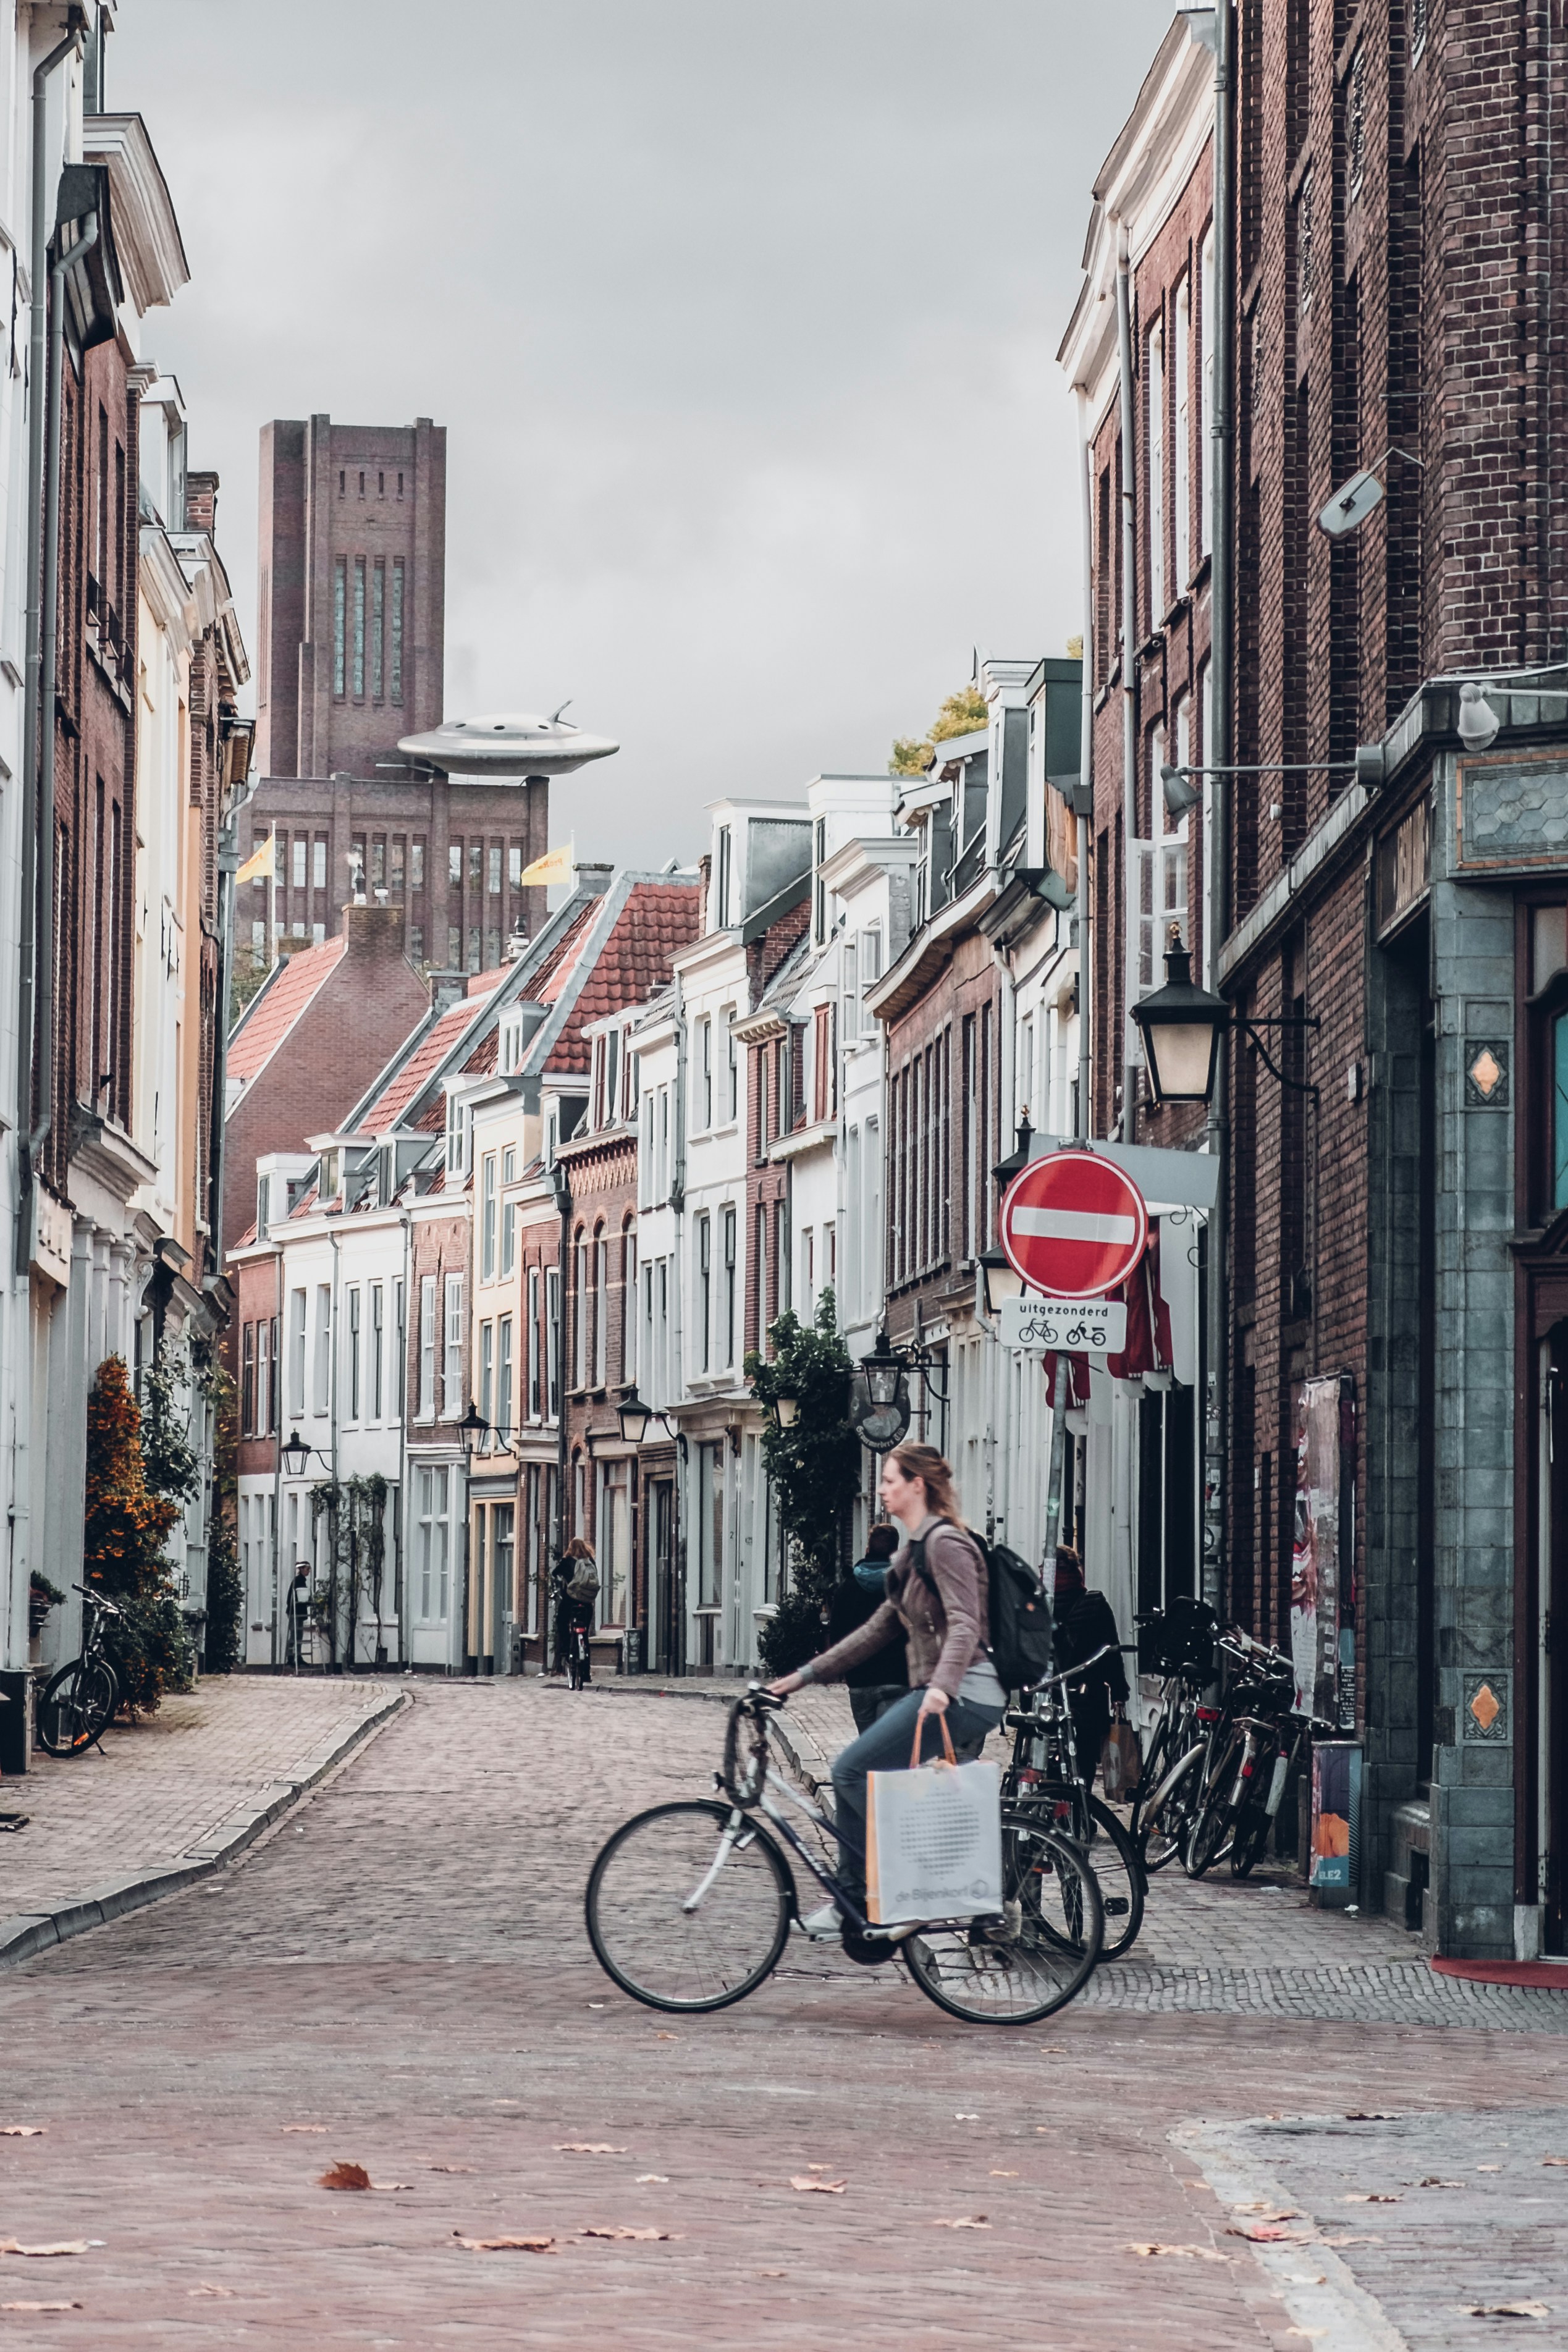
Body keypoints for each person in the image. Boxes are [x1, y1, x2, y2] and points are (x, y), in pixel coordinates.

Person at [768, 1443, 1006, 1945]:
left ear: (918, 1485)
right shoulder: (912, 1552)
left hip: (965, 1692)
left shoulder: (947, 1544)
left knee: (849, 1770)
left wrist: (941, 1689)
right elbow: (878, 1629)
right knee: (866, 1775)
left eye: (891, 1480)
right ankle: (856, 1901)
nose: (881, 1490)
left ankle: (903, 1887)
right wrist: (803, 1675)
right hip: (945, 1690)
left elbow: (965, 1624)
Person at [1052, 1546, 1129, 1785]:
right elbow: (1111, 1651)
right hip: (1088, 1699)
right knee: (1083, 1762)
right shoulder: (1095, 1604)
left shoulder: (1039, 1605)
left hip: (1048, 1698)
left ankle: (1052, 1807)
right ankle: (1080, 1812)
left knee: (1045, 1760)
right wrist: (1119, 1691)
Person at [825, 1524, 908, 1735]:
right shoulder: (904, 1587)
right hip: (897, 1677)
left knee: (869, 1746)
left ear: (867, 1550)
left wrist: (840, 1669)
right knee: (888, 1747)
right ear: (895, 1552)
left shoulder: (848, 1588)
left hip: (860, 1679)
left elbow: (837, 1633)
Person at [551, 1538, 600, 1680]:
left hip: (570, 1601)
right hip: (586, 1603)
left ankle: (566, 1651)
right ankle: (586, 1673)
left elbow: (554, 1574)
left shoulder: (566, 1562)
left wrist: (559, 1583)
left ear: (570, 1548)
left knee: (561, 1621)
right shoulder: (590, 1562)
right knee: (584, 1635)